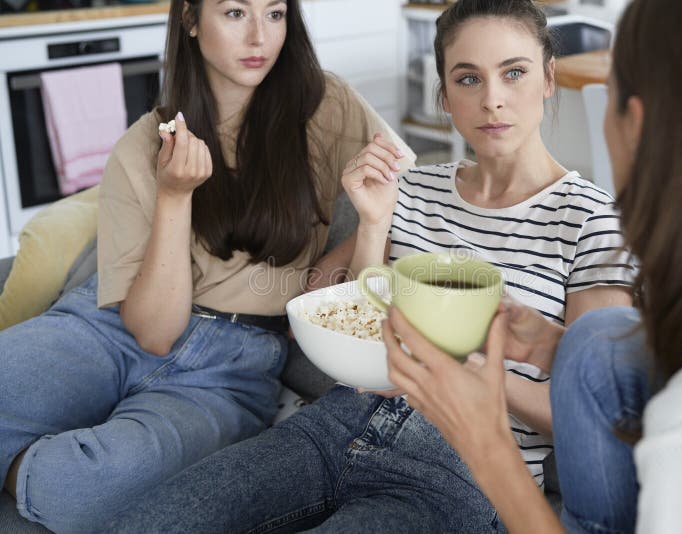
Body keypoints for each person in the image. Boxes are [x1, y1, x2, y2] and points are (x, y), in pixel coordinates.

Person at [109, 1, 636, 532]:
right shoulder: (415, 185)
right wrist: (372, 224)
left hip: (467, 468)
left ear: (548, 78)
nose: (493, 100)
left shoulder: (592, 221)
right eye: (468, 79)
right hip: (342, 420)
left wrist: (460, 373)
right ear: (445, 97)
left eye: (514, 73)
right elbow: (330, 297)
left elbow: (596, 414)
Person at [380, 0, 682, 532]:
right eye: (468, 79)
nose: (493, 100)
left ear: (636, 124)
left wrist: (485, 441)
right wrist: (558, 348)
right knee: (598, 335)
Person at [0, 0, 414, 530]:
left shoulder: (325, 104)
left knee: (78, 487)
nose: (260, 37)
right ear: (191, 21)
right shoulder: (140, 146)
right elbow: (152, 333)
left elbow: (404, 183)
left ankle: (22, 464)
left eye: (275, 13)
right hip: (112, 327)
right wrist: (175, 197)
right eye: (236, 13)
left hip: (228, 372)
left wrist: (325, 272)